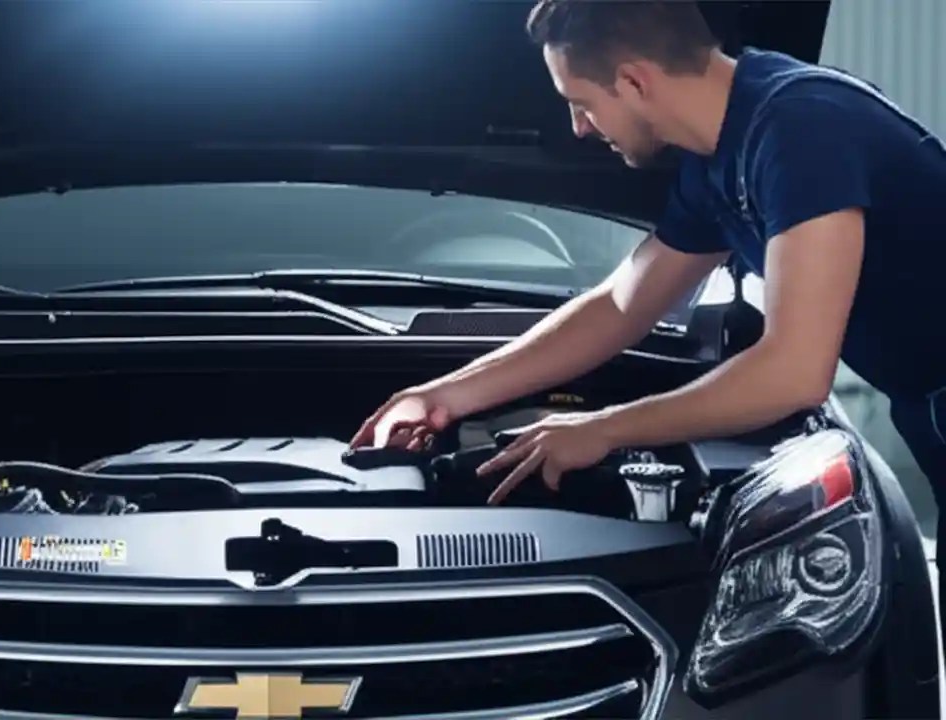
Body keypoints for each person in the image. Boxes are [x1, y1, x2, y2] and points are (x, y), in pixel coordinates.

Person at [349, 0, 946, 614]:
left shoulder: (799, 129)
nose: (579, 127)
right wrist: (443, 397)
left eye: (580, 101)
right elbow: (619, 305)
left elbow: (792, 373)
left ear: (634, 81)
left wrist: (602, 430)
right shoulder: (726, 151)